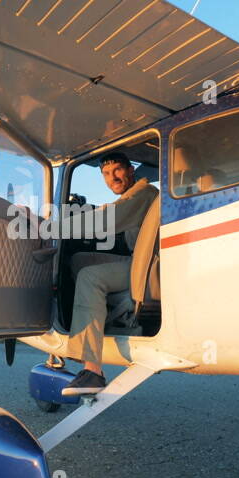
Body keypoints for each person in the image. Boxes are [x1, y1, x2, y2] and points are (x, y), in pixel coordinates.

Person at [62, 152, 158, 395]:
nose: (111, 177)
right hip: (139, 261)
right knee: (79, 260)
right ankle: (97, 320)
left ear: (131, 170)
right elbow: (114, 220)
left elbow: (108, 220)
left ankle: (92, 370)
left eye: (117, 170)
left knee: (89, 277)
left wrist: (53, 225)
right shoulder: (132, 197)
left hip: (147, 267)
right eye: (106, 173)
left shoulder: (144, 192)